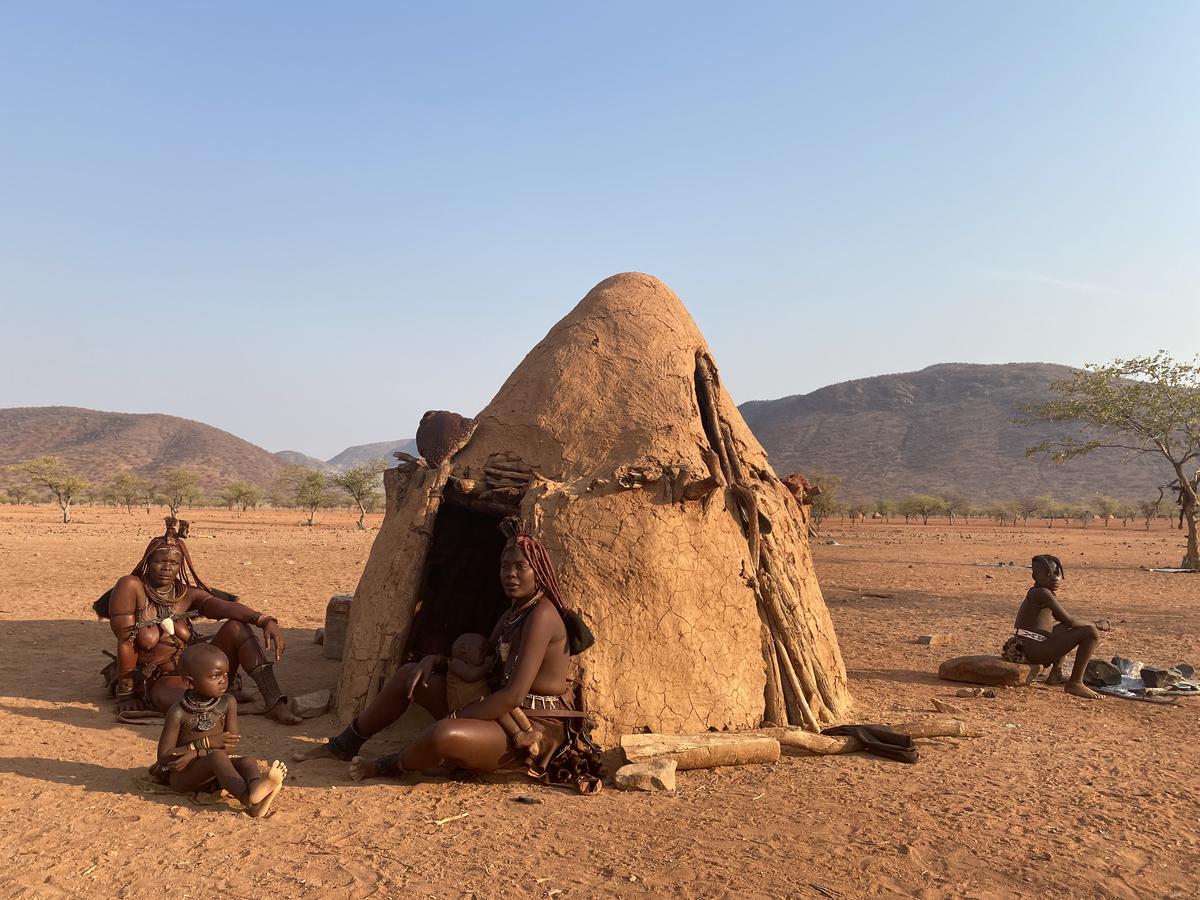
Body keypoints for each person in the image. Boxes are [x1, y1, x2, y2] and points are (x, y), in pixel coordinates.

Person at [295, 532, 603, 793]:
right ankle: (344, 744)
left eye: (521, 567)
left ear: (538, 571)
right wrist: (437, 660)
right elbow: (490, 661)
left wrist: (459, 714)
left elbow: (513, 696)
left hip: (531, 731)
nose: (510, 574)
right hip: (495, 709)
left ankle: (389, 764)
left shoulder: (542, 616)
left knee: (445, 733)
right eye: (505, 566)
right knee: (409, 675)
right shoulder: (514, 613)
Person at [105, 517, 301, 724]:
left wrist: (264, 620)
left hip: (198, 667)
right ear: (147, 562)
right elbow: (125, 642)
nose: (166, 568)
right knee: (190, 707)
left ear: (181, 565)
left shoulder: (186, 594)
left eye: (173, 563)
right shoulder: (131, 586)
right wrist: (125, 694)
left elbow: (225, 607)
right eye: (160, 561)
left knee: (236, 627)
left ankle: (274, 701)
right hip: (161, 677)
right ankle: (219, 696)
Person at [153, 644, 287, 816]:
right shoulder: (178, 712)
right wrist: (206, 745)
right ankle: (249, 798)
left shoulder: (227, 703)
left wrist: (197, 752)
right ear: (189, 682)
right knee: (216, 757)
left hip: (213, 771)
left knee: (247, 761)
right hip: (184, 777)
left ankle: (257, 790)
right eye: (215, 676)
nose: (223, 680)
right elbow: (164, 757)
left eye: (226, 673)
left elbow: (230, 747)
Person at [1001, 554, 1110, 699]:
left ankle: (1055, 674)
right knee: (1091, 632)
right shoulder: (1042, 593)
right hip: (1031, 649)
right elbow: (1070, 620)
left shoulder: (1041, 592)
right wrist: (1097, 624)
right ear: (1035, 577)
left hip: (1029, 644)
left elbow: (1064, 622)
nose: (1055, 578)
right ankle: (1075, 683)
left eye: (1057, 573)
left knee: (1066, 629)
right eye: (1048, 574)